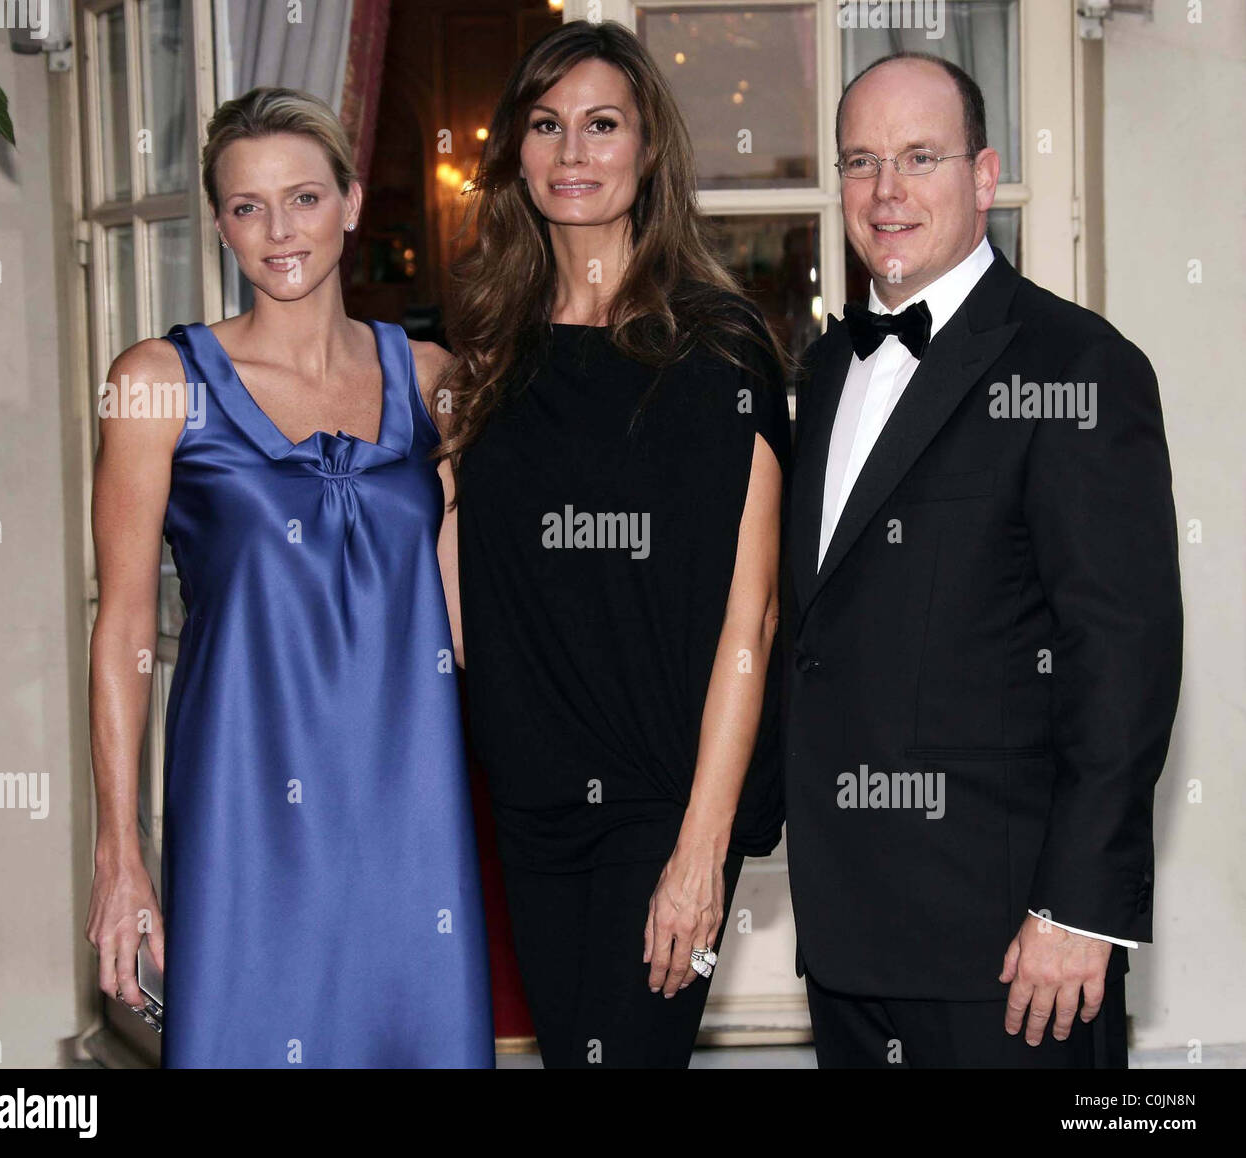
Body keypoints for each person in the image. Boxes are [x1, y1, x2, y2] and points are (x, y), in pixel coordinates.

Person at [782, 51, 1183, 1068]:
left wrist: (1079, 907)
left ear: (984, 173)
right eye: (861, 161)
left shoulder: (1078, 365)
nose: (886, 191)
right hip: (846, 940)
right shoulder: (827, 366)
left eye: (920, 157)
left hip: (1013, 950)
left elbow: (1123, 657)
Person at [84, 87, 493, 1067]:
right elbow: (124, 624)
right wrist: (119, 853)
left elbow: (467, 613)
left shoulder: (437, 380)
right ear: (220, 225)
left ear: (353, 203)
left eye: (304, 198)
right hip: (244, 798)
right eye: (246, 206)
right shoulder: (157, 382)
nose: (278, 231)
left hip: (410, 798)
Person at [437, 21, 791, 1068]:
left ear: (646, 152)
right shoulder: (495, 348)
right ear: (516, 152)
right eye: (546, 126)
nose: (572, 152)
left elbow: (751, 616)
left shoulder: (718, 348)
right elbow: (468, 575)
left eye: (601, 125)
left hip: (659, 800)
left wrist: (701, 845)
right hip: (531, 796)